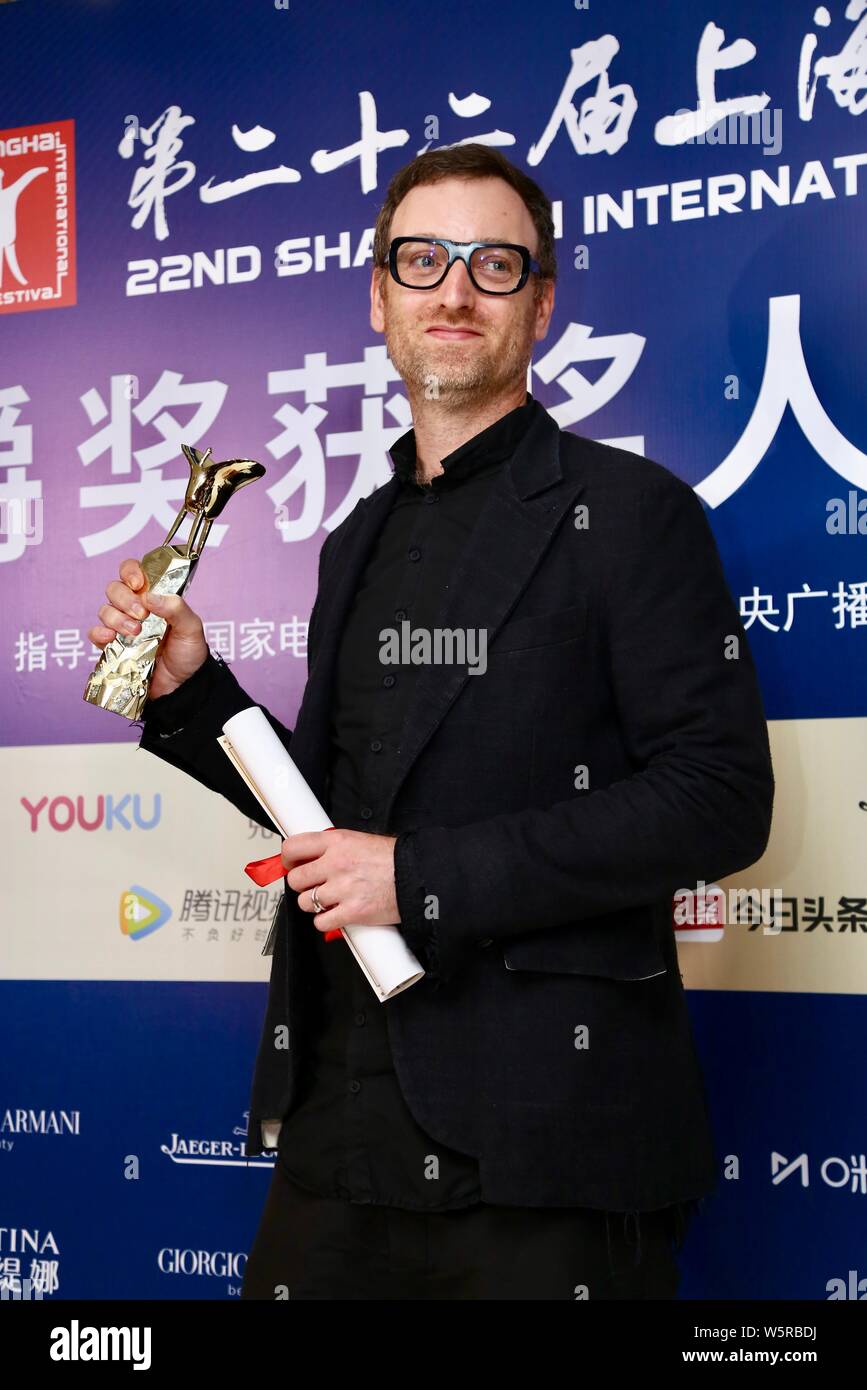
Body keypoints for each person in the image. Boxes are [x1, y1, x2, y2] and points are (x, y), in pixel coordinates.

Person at [88, 144, 774, 1300]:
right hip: (337, 1133)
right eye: (423, 260)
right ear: (379, 296)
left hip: (543, 1161)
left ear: (543, 302)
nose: (454, 290)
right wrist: (196, 692)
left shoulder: (635, 512)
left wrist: (422, 878)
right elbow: (327, 815)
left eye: (493, 264)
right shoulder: (355, 539)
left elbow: (718, 797)